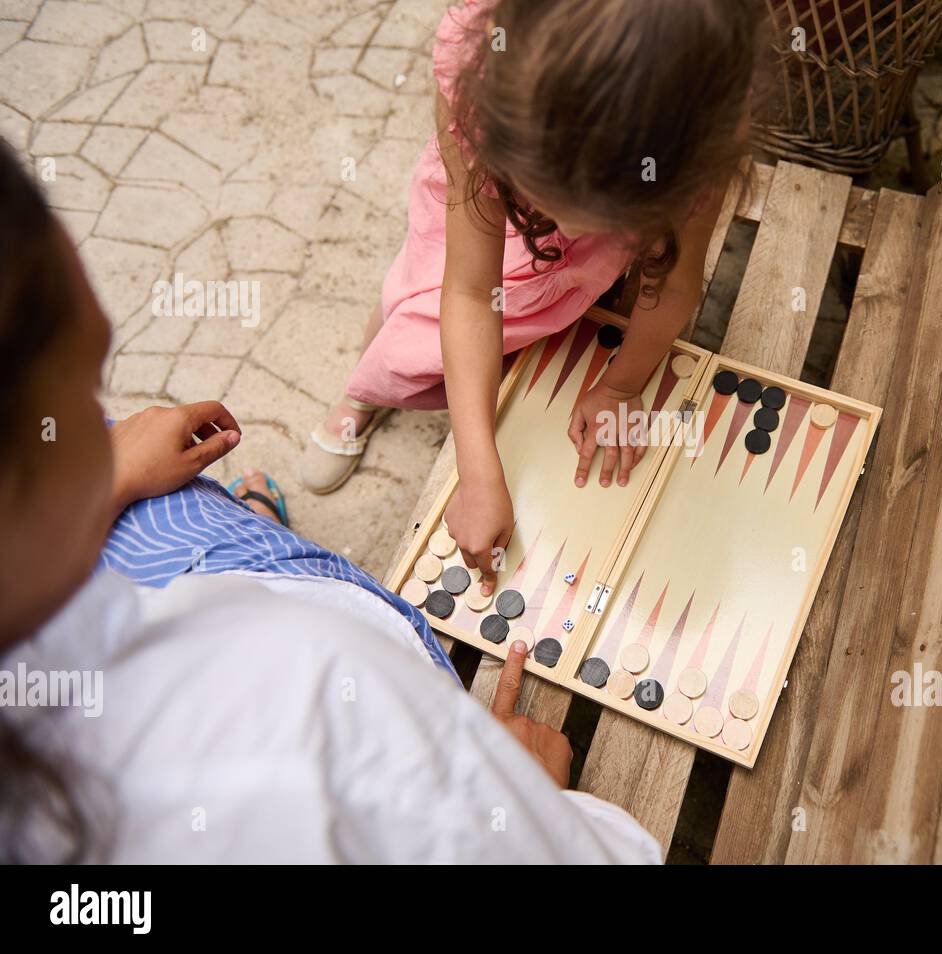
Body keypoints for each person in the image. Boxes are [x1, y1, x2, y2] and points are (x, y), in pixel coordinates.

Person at [0, 140, 659, 864]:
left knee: (206, 514)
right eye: (85, 392)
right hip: (328, 657)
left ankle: (255, 525)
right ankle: (257, 525)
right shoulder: (323, 694)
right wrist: (524, 799)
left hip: (176, 579)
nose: (108, 425)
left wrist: (114, 480)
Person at [300, 0, 759, 597]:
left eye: (596, 219)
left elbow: (673, 281)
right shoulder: (482, 81)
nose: (567, 229)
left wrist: (621, 383)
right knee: (412, 292)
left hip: (566, 203)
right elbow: (468, 289)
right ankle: (365, 388)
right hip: (480, 205)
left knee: (550, 296)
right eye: (556, 206)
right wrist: (477, 466)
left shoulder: (699, 127)